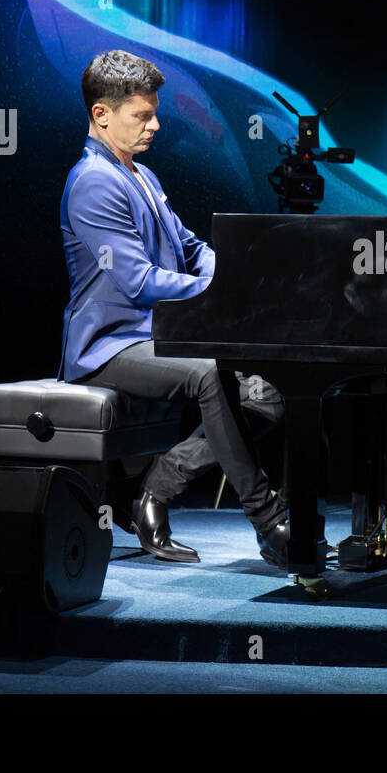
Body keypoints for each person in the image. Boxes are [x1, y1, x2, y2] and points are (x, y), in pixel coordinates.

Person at [58, 49, 289, 566]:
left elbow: (189, 247)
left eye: (154, 112)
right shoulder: (94, 182)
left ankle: (154, 490)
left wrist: (227, 271)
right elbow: (138, 283)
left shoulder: (143, 176)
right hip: (109, 346)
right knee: (210, 375)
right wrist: (220, 292)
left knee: (269, 392)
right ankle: (269, 523)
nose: (156, 124)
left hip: (156, 337)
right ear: (102, 114)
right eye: (142, 115)